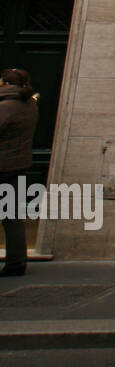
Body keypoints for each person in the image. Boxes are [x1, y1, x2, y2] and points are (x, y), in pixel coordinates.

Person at [0, 69, 38, 277]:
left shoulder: (7, 107)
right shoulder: (30, 104)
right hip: (19, 164)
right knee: (12, 216)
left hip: (3, 165)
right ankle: (16, 261)